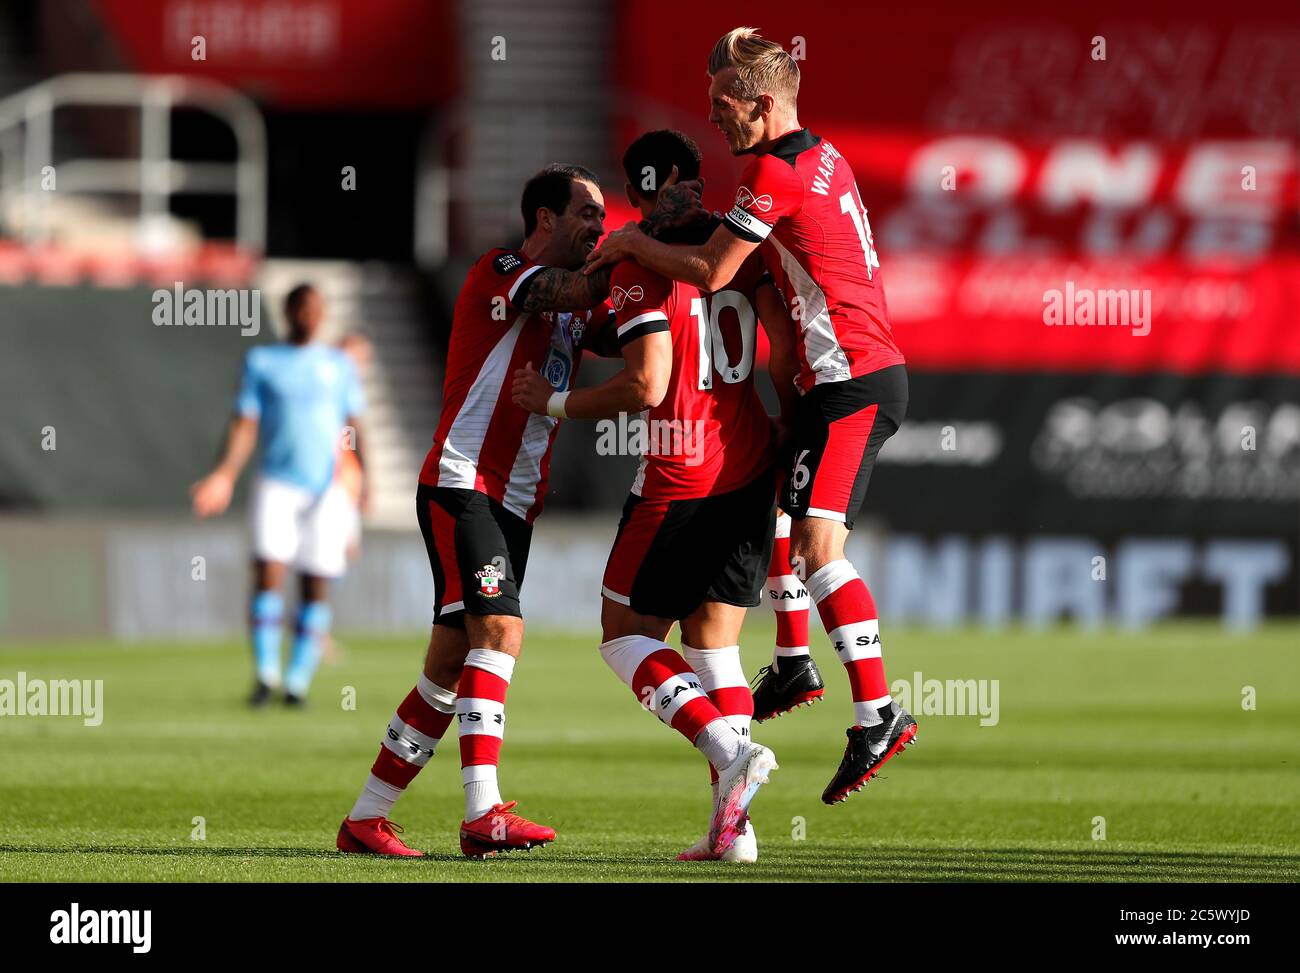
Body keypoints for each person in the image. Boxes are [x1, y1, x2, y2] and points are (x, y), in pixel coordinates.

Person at [587, 27, 917, 805]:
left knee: (816, 543)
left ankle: (878, 712)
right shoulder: (822, 154)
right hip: (833, 379)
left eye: (724, 104)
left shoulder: (773, 171)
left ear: (761, 103)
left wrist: (631, 239)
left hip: (852, 379)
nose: (718, 120)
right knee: (784, 506)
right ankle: (798, 661)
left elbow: (708, 270)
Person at [336, 164, 697, 857]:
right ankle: (483, 813)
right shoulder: (503, 271)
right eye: (588, 213)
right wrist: (644, 234)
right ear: (544, 221)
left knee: (449, 659)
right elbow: (589, 283)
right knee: (498, 631)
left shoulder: (573, 308)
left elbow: (624, 319)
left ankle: (364, 820)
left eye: (602, 215)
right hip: (463, 482)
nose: (598, 224)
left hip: (514, 504)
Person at [515, 130, 791, 861]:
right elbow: (784, 344)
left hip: (680, 476)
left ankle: (729, 749)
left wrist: (553, 402)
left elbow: (648, 383)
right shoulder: (740, 248)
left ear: (642, 192)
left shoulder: (638, 260)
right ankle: (735, 832)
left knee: (623, 636)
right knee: (715, 649)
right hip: (752, 464)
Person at [191, 284, 366, 707]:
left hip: (325, 487)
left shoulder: (338, 365)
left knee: (315, 582)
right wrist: (224, 473)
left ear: (323, 314)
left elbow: (354, 425)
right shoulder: (263, 361)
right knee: (269, 572)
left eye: (315, 308)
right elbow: (244, 424)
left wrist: (362, 481)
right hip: (277, 481)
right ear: (289, 312)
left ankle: (297, 683)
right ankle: (266, 674)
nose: (309, 315)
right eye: (301, 307)